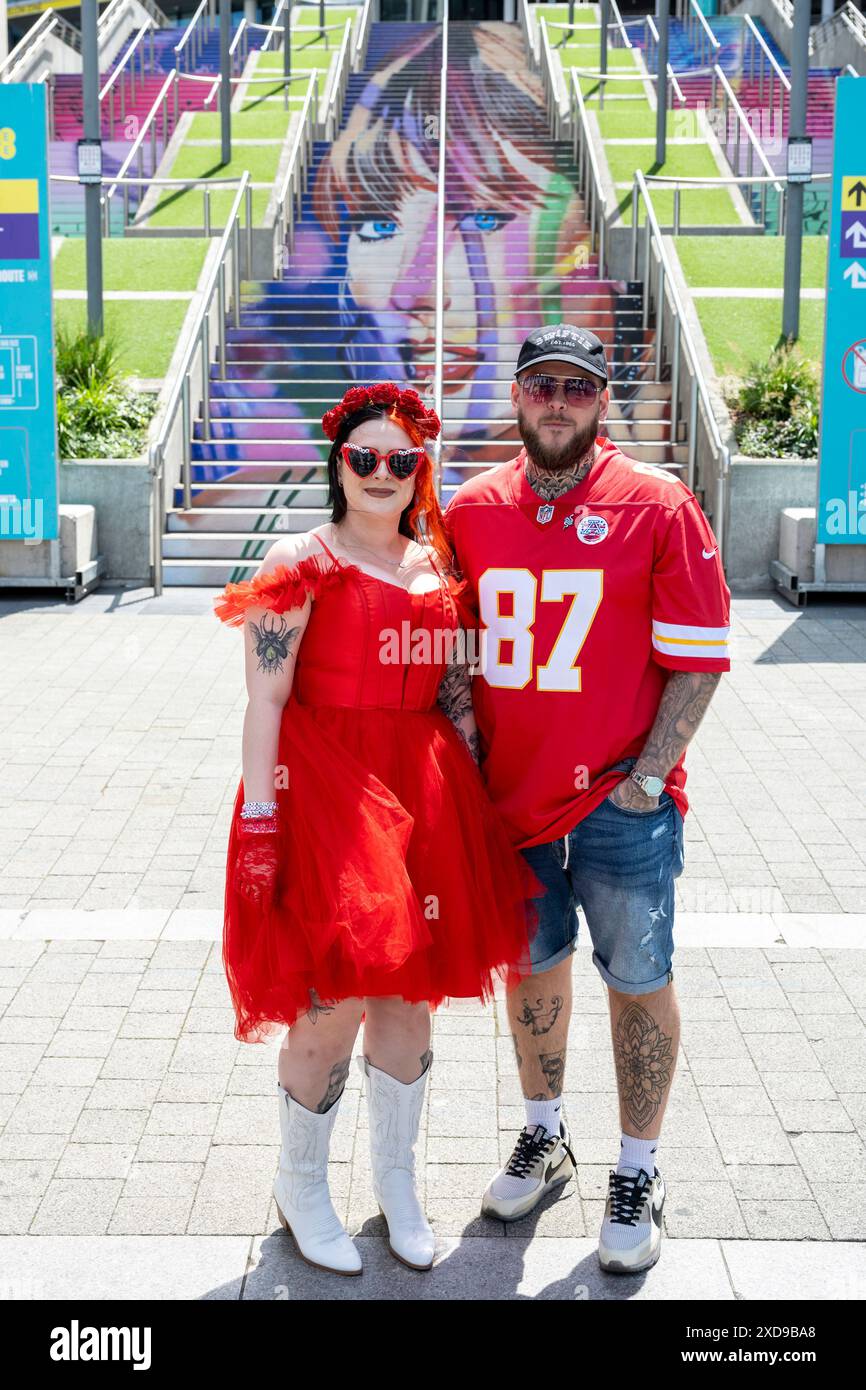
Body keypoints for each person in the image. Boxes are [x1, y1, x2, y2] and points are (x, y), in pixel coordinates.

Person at [213, 381, 541, 1279]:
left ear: (419, 467)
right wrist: (264, 822)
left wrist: (473, 813)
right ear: (339, 463)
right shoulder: (301, 557)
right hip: (326, 790)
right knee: (333, 1000)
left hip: (425, 790)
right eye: (365, 457)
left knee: (409, 997)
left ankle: (397, 1181)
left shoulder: (435, 564)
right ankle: (300, 1183)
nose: (383, 472)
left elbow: (452, 694)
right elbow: (265, 699)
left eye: (401, 459)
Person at [443, 324, 731, 1275]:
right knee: (532, 967)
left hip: (621, 798)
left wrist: (648, 782)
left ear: (601, 399)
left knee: (638, 978)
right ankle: (543, 1132)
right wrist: (468, 761)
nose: (557, 400)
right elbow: (456, 649)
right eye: (540, 385)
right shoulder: (474, 508)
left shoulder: (657, 503)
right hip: (511, 800)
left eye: (576, 385)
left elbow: (698, 664)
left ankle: (640, 1168)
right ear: (518, 399)